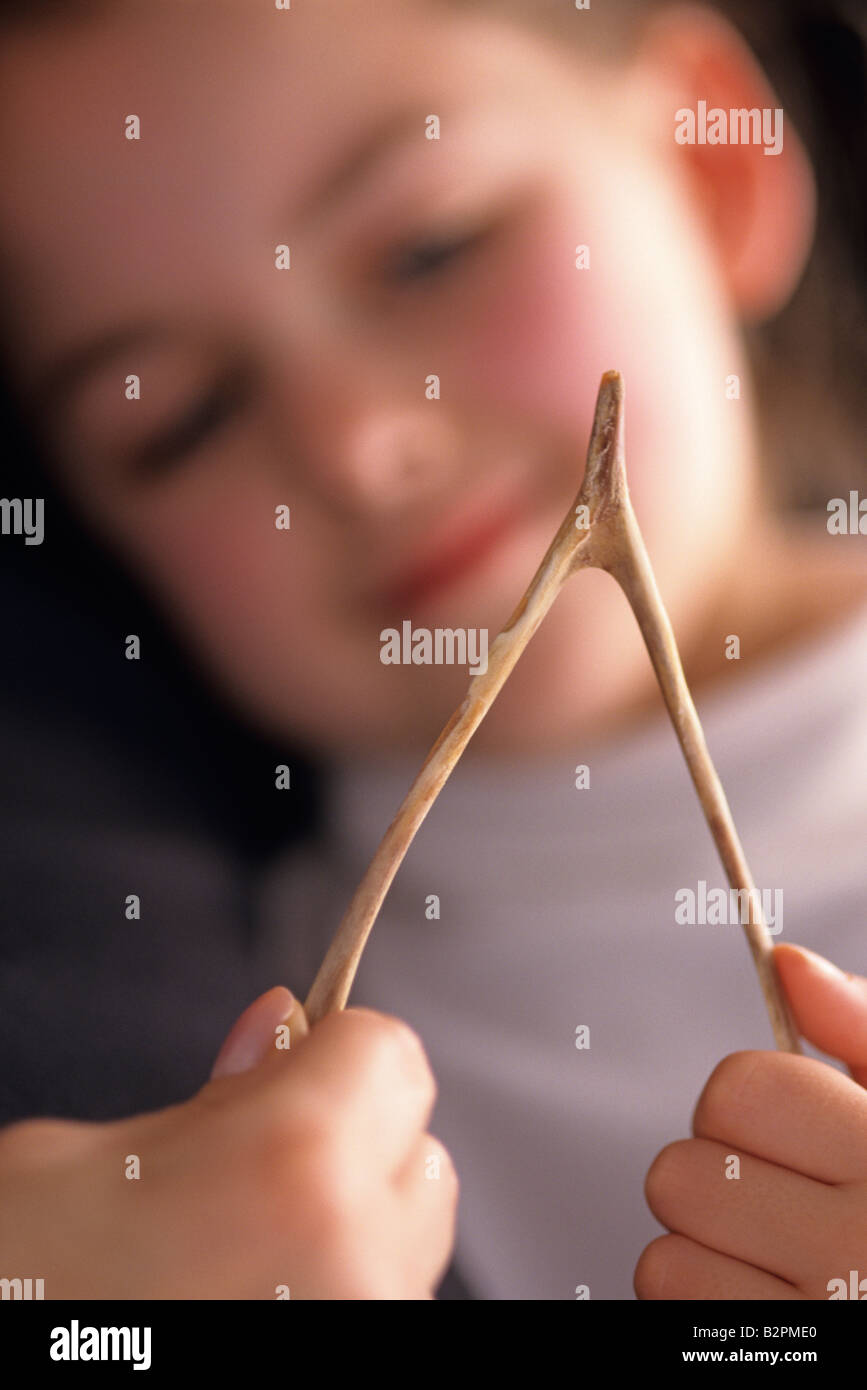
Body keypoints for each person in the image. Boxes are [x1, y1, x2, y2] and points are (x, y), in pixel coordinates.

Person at [0, 0, 865, 1299]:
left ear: (710, 162)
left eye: (428, 249)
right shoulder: (210, 1079)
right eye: (179, 418)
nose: (355, 449)